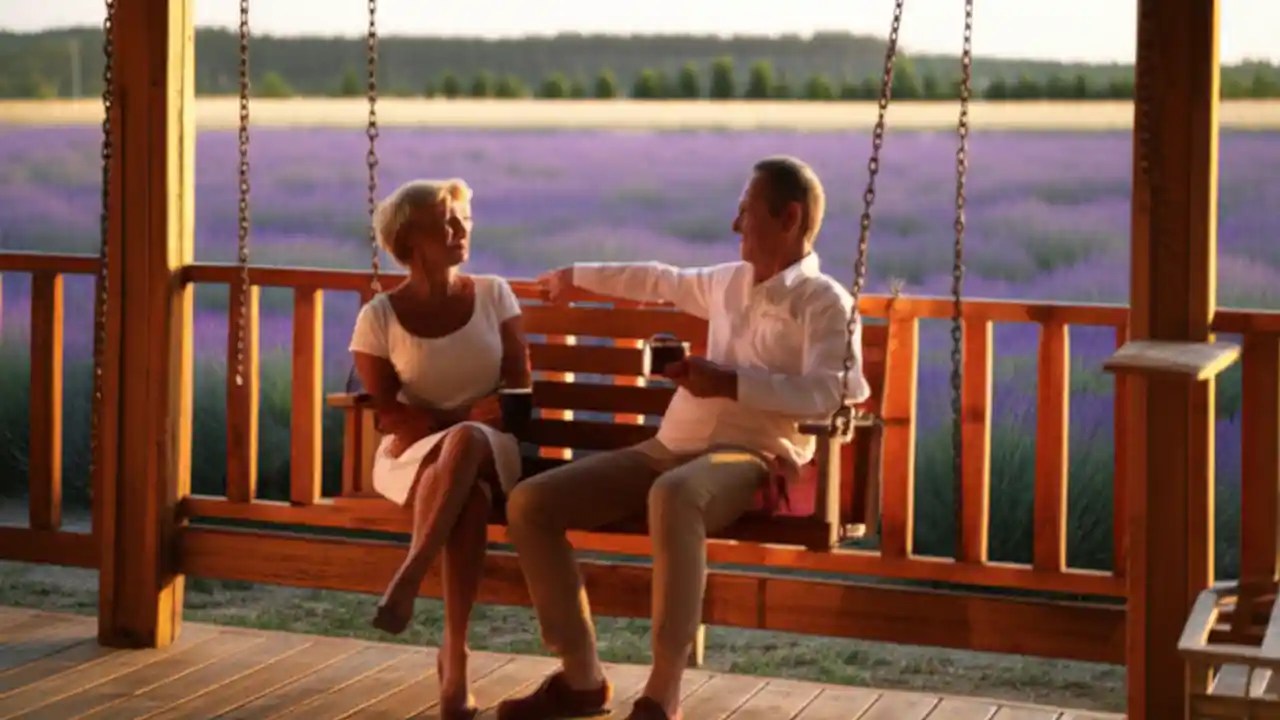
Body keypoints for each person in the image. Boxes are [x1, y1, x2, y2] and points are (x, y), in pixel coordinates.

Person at [496, 155, 870, 720]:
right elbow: (658, 279)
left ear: (788, 217)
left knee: (674, 496)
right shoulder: (728, 282)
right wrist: (575, 275)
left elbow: (835, 392)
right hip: (667, 449)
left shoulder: (825, 303)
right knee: (530, 503)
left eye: (746, 210)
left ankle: (662, 691)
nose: (735, 223)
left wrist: (732, 383)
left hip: (751, 457)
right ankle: (580, 677)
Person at [348, 177, 530, 720]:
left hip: (493, 447)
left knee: (471, 442)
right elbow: (391, 416)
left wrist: (470, 421)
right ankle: (455, 655)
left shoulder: (494, 294)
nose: (460, 230)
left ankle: (409, 578)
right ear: (409, 240)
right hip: (413, 456)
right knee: (466, 497)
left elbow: (518, 390)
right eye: (445, 222)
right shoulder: (379, 316)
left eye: (463, 220)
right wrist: (459, 417)